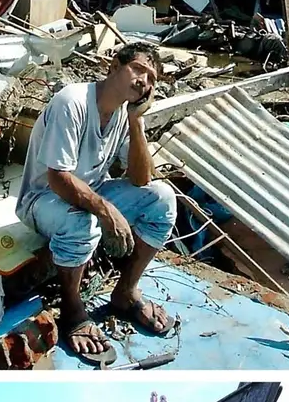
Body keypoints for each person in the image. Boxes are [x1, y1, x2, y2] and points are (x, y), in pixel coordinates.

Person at [16, 41, 178, 365]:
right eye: (138, 70)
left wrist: (136, 122)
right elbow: (58, 177)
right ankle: (73, 310)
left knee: (163, 199)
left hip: (91, 189)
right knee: (83, 222)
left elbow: (141, 179)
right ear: (114, 66)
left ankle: (126, 291)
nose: (143, 81)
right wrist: (106, 211)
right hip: (42, 199)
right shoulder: (72, 102)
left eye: (151, 79)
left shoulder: (122, 113)